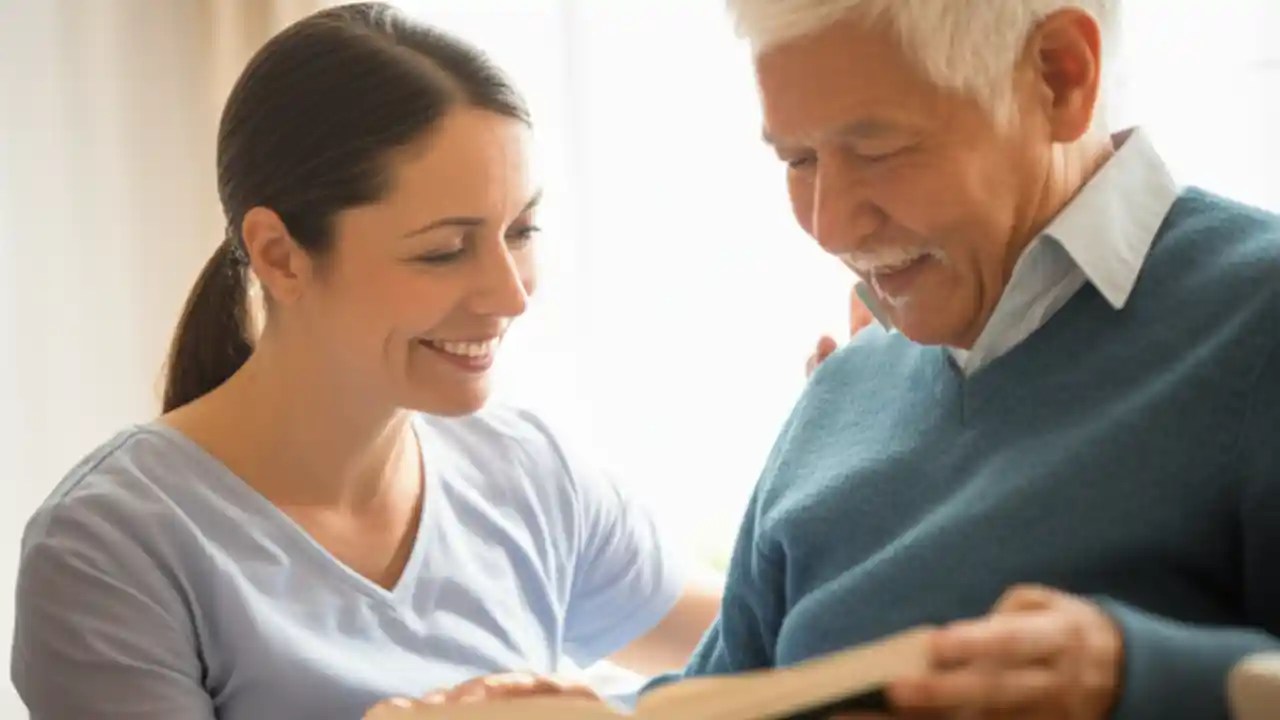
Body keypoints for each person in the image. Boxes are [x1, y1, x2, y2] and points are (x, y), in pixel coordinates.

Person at [416, 1, 1280, 718]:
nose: (829, 226)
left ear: (1060, 76)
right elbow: (730, 696)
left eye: (878, 150)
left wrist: (1150, 679)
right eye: (797, 159)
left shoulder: (1256, 317)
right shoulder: (843, 392)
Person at [10, 5, 724, 719]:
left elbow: (767, 657)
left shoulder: (528, 474)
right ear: (280, 256)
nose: (510, 295)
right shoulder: (112, 547)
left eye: (522, 230)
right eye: (444, 249)